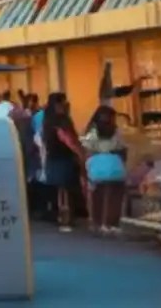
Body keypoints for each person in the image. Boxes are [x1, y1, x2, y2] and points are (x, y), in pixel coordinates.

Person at [41, 92, 85, 232]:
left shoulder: (48, 120)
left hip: (55, 157)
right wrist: (80, 153)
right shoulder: (61, 120)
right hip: (63, 157)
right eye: (62, 103)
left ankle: (64, 217)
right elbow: (69, 140)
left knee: (62, 189)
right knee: (65, 189)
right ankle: (66, 218)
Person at [83, 106, 127, 234]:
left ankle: (98, 222)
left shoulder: (92, 131)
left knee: (97, 195)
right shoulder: (115, 131)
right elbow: (121, 146)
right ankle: (112, 222)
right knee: (115, 196)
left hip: (97, 167)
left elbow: (87, 148)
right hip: (114, 166)